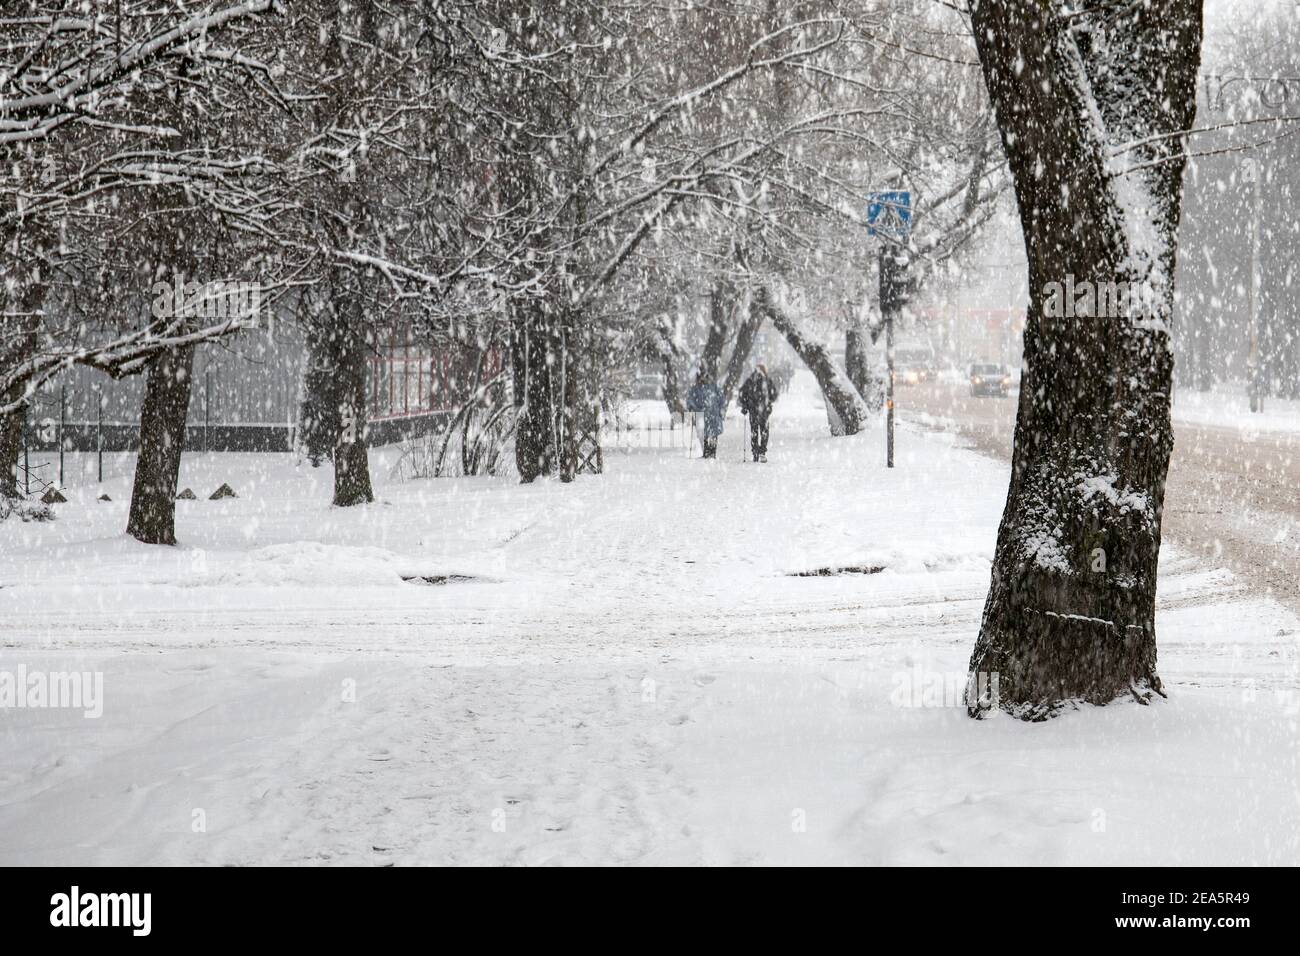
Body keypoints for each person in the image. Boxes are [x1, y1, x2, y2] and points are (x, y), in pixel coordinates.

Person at [739, 364, 779, 462]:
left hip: (753, 410)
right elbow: (774, 394)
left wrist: (745, 405)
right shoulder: (766, 381)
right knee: (764, 431)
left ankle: (755, 452)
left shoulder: (750, 380)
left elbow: (742, 393)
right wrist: (769, 402)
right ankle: (762, 453)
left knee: (754, 432)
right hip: (764, 411)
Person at [686, 370, 724, 459]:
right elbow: (690, 399)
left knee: (713, 434)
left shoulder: (713, 387)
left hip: (713, 414)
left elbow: (721, 398)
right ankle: (707, 452)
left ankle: (712, 453)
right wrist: (692, 407)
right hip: (702, 414)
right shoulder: (696, 388)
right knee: (704, 434)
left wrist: (719, 408)